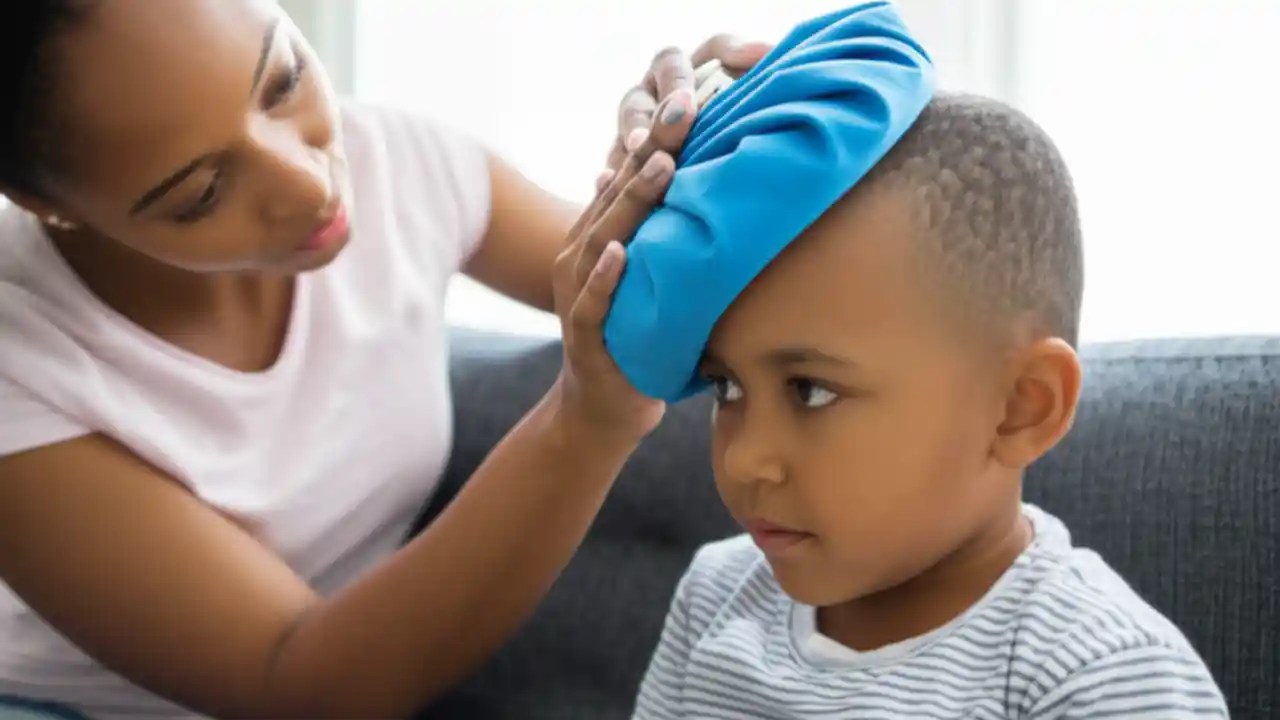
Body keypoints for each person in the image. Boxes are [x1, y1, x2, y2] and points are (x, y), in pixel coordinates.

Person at [0, 1, 771, 717]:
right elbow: (301, 684)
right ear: (48, 206)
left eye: (283, 82)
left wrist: (712, 144)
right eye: (202, 194)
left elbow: (660, 285)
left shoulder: (395, 162)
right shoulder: (23, 370)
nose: (307, 186)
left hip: (389, 581)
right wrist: (584, 426)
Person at [633, 93, 1229, 718]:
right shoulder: (715, 596)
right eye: (726, 387)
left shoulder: (1099, 672)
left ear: (1020, 407)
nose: (746, 460)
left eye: (811, 390)